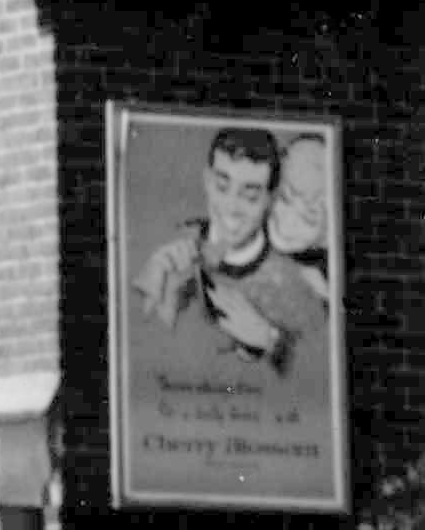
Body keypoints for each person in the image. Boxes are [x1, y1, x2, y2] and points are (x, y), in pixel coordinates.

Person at [136, 124, 333, 379]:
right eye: (221, 186)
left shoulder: (304, 289)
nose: (232, 208)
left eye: (250, 196)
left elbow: (317, 382)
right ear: (207, 181)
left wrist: (269, 341)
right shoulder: (174, 246)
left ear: (268, 198)